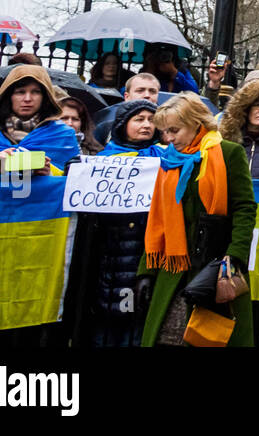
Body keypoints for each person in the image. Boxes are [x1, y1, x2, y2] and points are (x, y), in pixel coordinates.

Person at [137, 92, 256, 347]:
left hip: (216, 265)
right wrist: (146, 270)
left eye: (174, 130)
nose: (168, 138)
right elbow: (158, 218)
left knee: (209, 340)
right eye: (164, 132)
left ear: (196, 122)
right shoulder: (169, 160)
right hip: (173, 267)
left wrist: (235, 256)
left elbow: (244, 208)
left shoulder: (229, 153)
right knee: (166, 339)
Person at [85, 99, 164, 346]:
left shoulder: (166, 158)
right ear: (123, 124)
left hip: (146, 251)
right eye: (139, 119)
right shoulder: (102, 160)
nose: (146, 125)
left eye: (151, 120)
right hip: (109, 252)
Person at [0, 65, 79, 173]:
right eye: (20, 92)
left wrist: (49, 174)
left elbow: (74, 182)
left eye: (36, 92)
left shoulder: (62, 135)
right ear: (8, 96)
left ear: (45, 97)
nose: (27, 99)